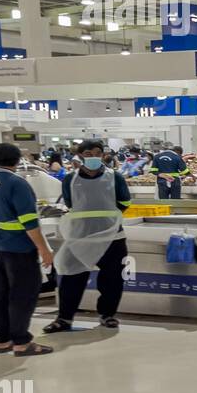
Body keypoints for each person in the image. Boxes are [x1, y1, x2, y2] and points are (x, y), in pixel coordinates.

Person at [0, 142, 56, 357]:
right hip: (20, 248)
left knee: (0, 294)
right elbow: (29, 221)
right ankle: (21, 341)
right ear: (17, 160)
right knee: (22, 294)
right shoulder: (17, 184)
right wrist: (44, 250)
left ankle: (3, 340)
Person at [43, 140, 133, 334]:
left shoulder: (114, 177)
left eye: (97, 152)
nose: (93, 156)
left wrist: (106, 221)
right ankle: (64, 318)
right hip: (80, 237)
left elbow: (125, 201)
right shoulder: (70, 179)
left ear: (103, 154)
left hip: (112, 237)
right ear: (81, 154)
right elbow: (70, 203)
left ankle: (107, 315)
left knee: (112, 280)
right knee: (71, 276)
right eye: (89, 153)